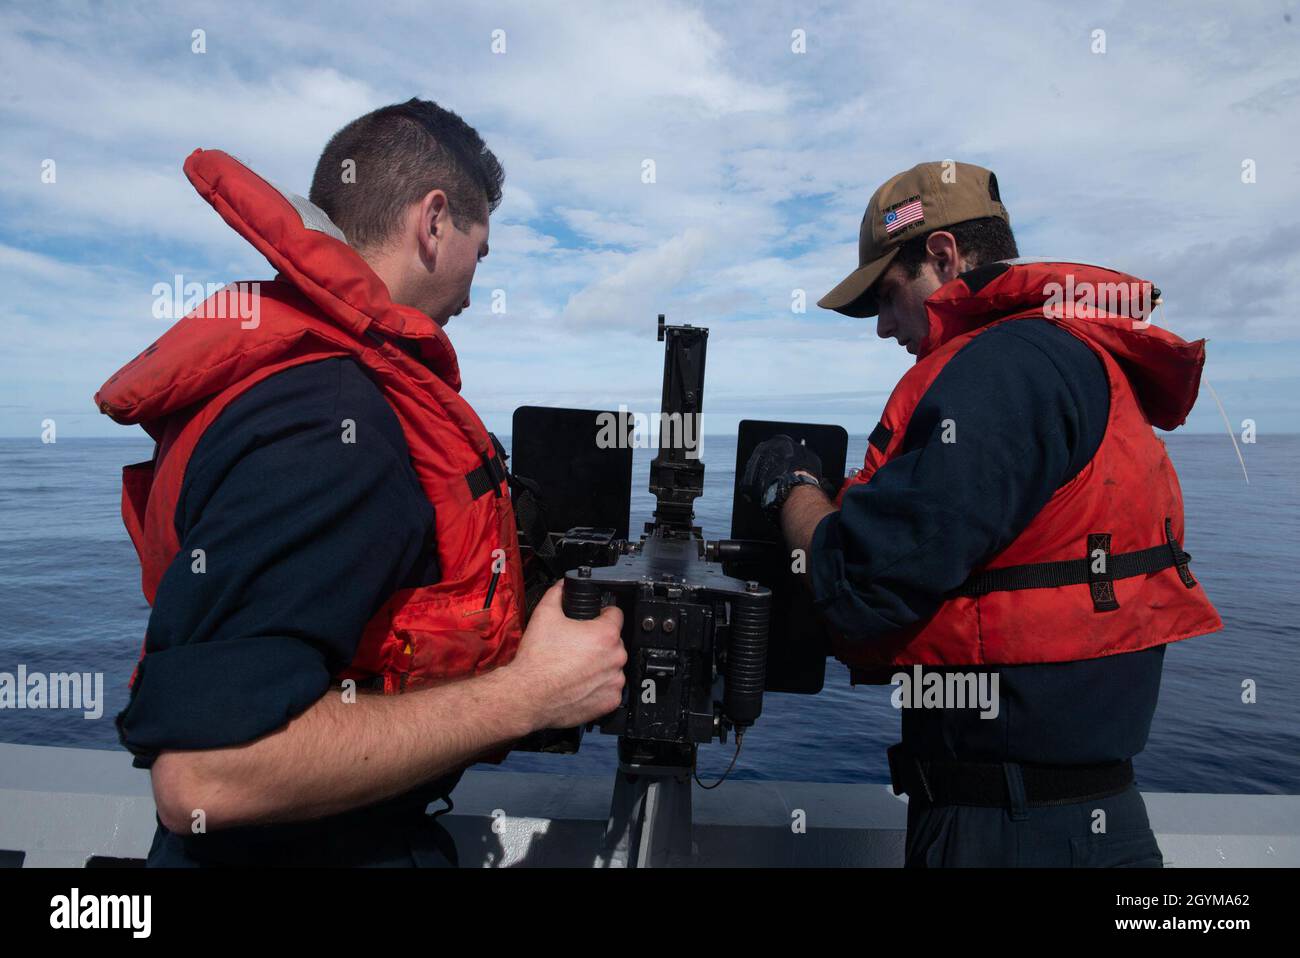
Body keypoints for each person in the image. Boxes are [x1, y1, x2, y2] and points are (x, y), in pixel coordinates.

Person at [95, 99, 626, 866]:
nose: (476, 290)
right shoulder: (333, 419)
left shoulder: (292, 382)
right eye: (482, 252)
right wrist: (532, 695)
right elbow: (207, 777)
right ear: (434, 223)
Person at [742, 161, 1222, 867]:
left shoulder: (1002, 370)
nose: (881, 327)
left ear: (941, 255)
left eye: (887, 294)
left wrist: (794, 489)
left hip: (1009, 832)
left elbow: (863, 580)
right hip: (1089, 813)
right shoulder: (1067, 358)